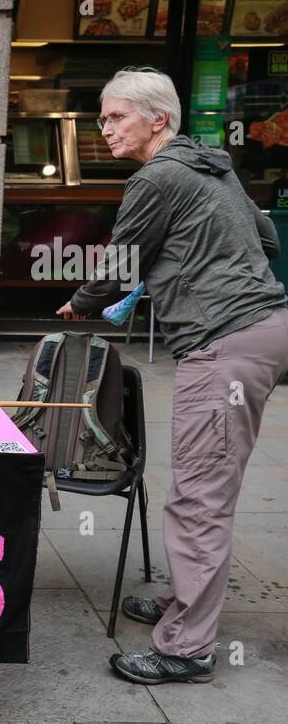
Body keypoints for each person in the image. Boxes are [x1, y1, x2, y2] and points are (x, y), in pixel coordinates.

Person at [56, 67, 288, 685]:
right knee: (203, 484)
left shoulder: (157, 178)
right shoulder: (213, 167)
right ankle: (186, 602)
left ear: (159, 119)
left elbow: (122, 261)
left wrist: (83, 302)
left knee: (199, 498)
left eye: (117, 116)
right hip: (258, 330)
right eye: (102, 118)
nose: (104, 129)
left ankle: (187, 648)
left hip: (224, 342)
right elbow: (264, 242)